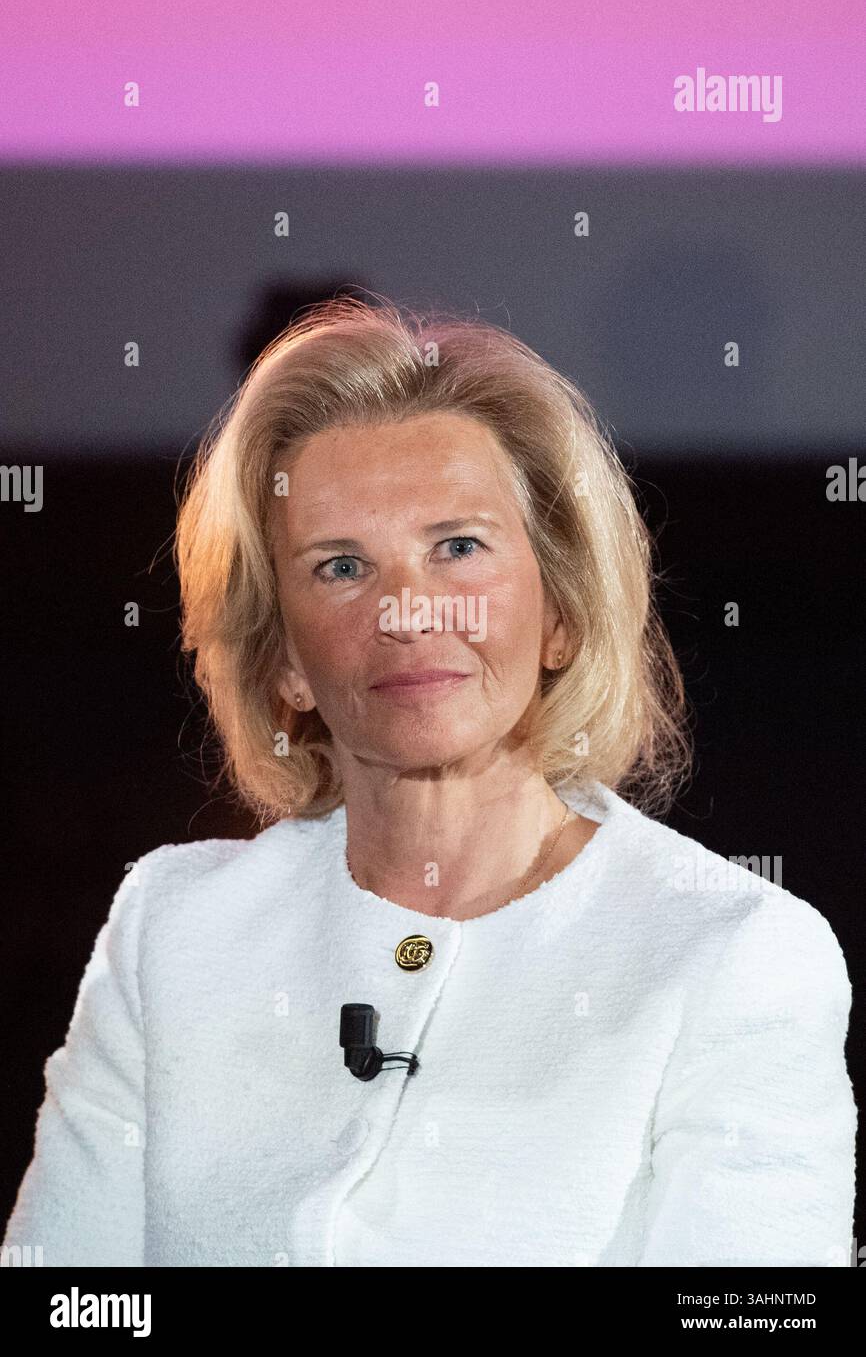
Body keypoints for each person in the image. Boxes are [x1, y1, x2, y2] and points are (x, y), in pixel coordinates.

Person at [3, 296, 856, 1266]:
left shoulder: (735, 956)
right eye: (340, 566)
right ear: (283, 660)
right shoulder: (170, 930)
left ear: (559, 615)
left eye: (457, 546)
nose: (406, 610)